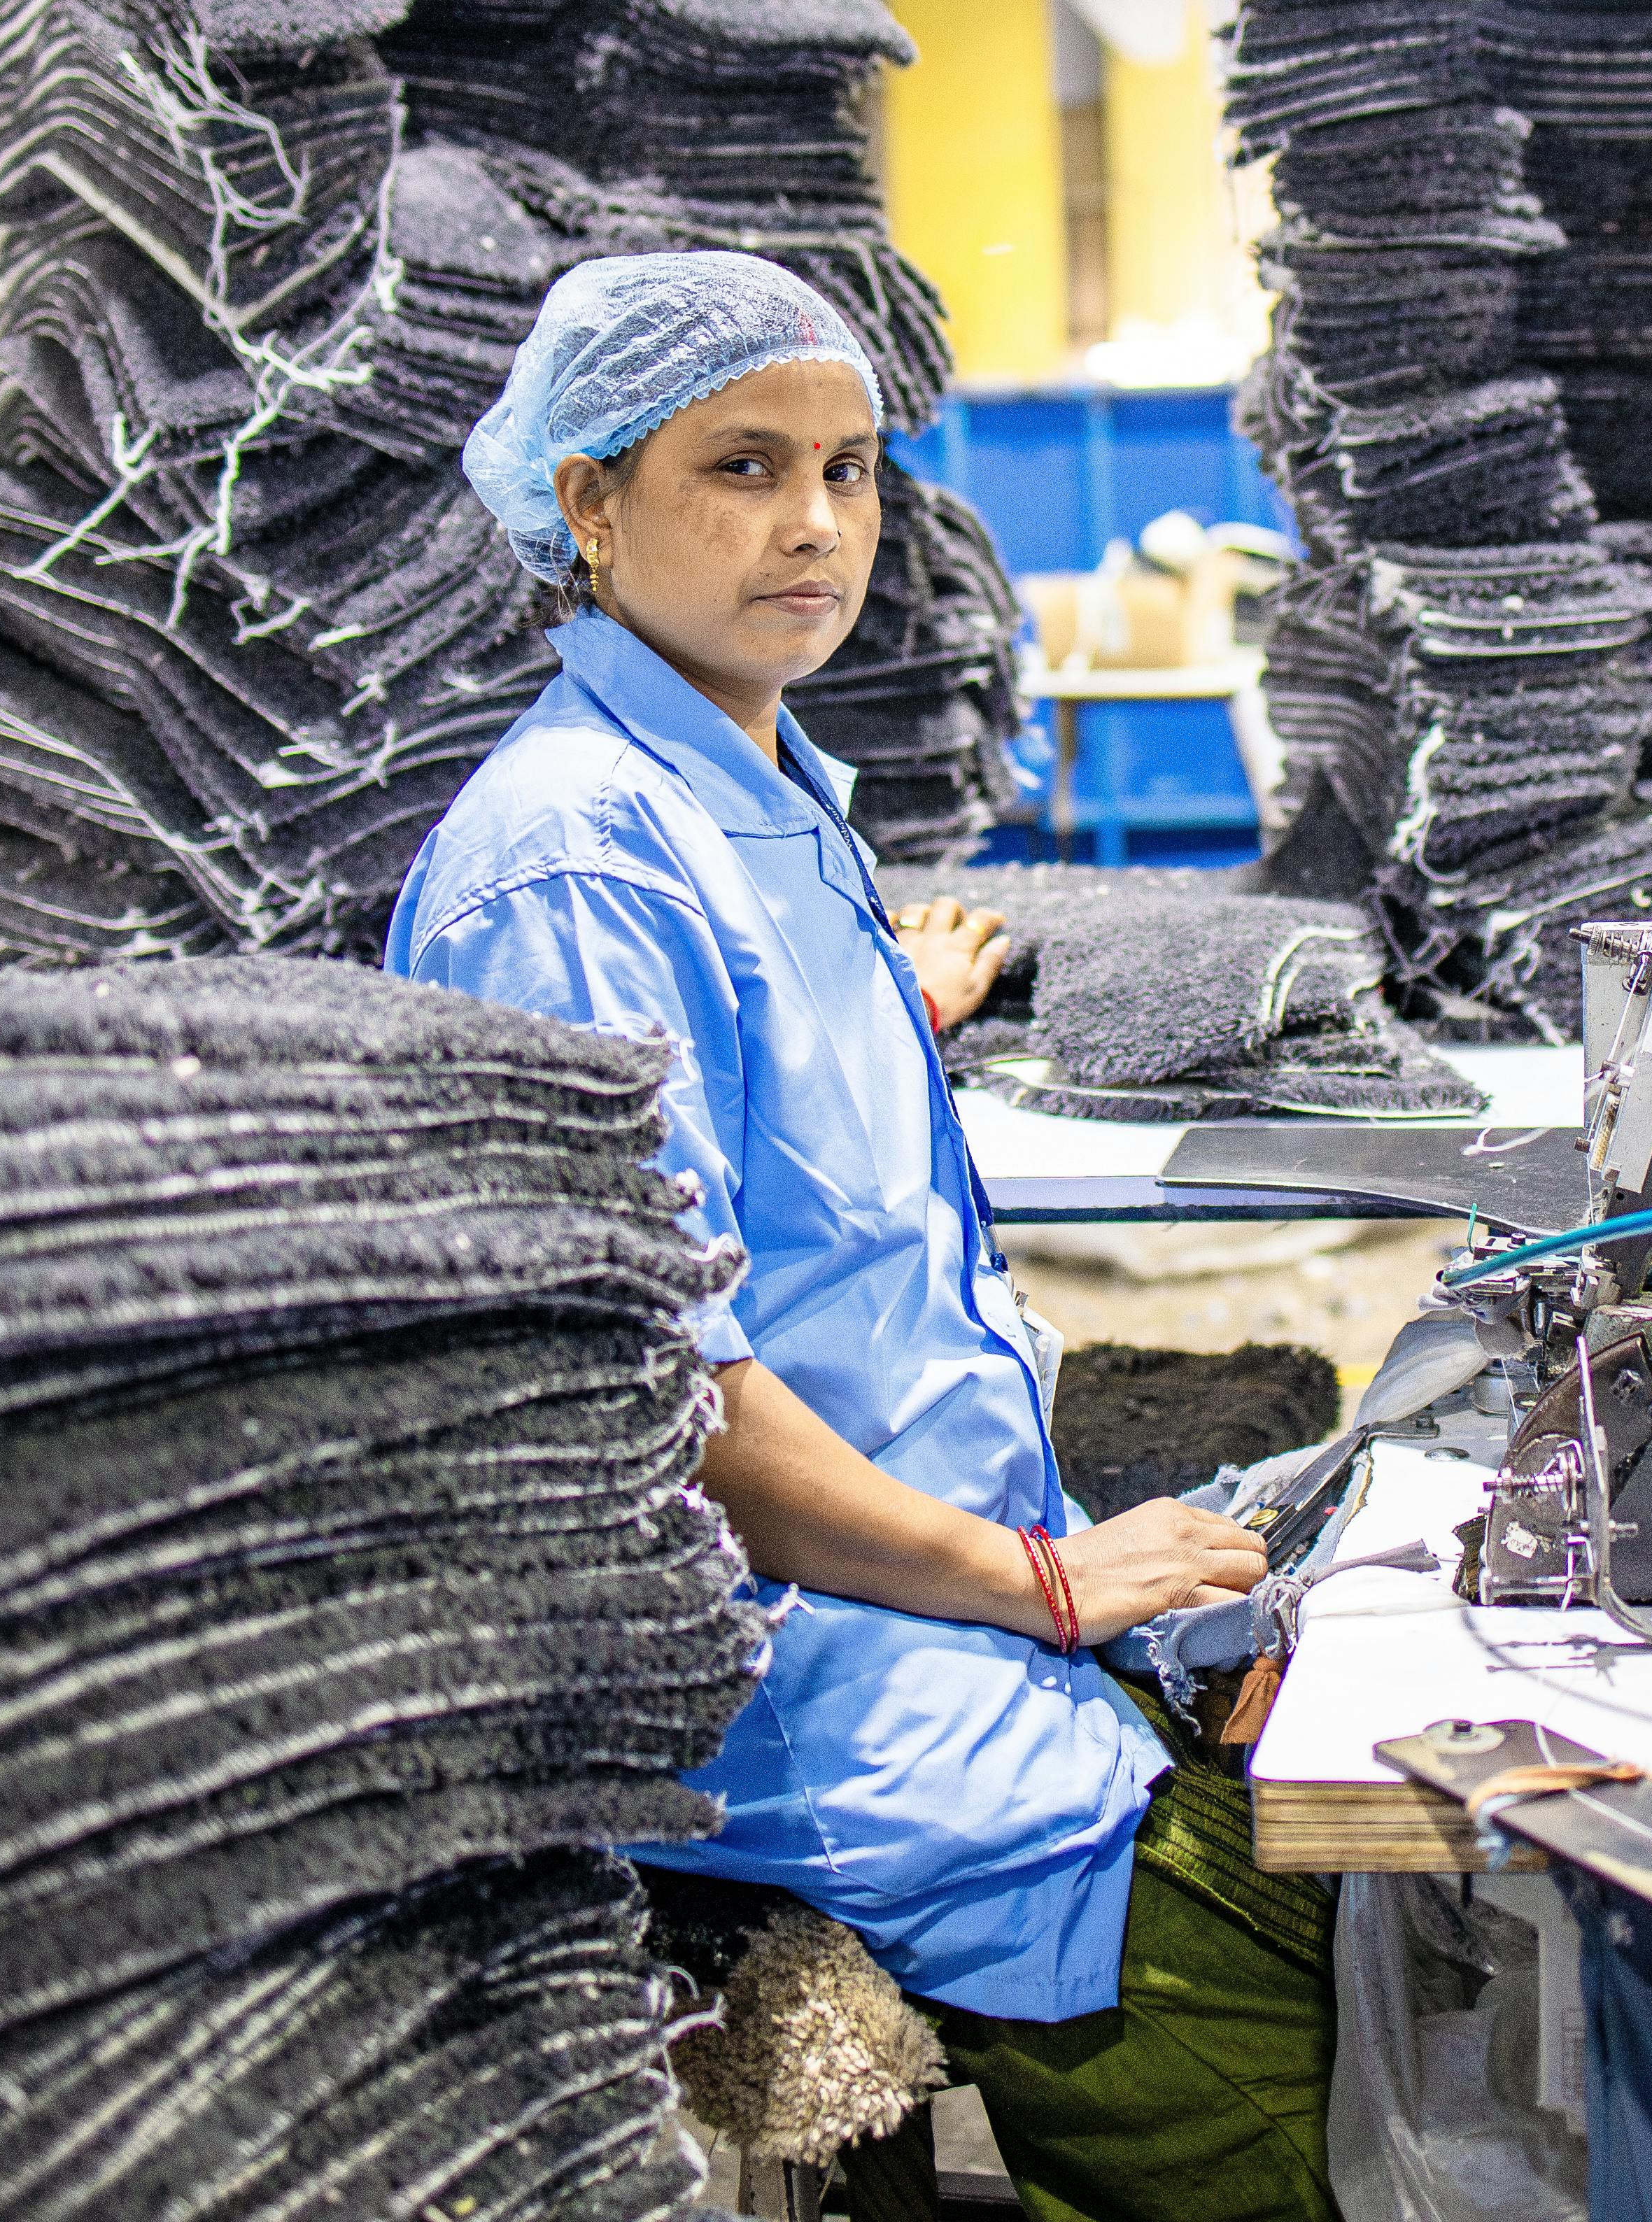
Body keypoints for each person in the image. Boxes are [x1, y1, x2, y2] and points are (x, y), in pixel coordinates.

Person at [390, 253, 1338, 2222]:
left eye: (850, 470)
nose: (816, 523)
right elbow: (666, 1403)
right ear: (585, 500)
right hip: (834, 1712)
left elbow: (728, 1142)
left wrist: (869, 1018)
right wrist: (1047, 1584)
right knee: (1303, 2059)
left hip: (953, 1633)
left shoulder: (748, 797)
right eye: (742, 466)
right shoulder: (571, 865)